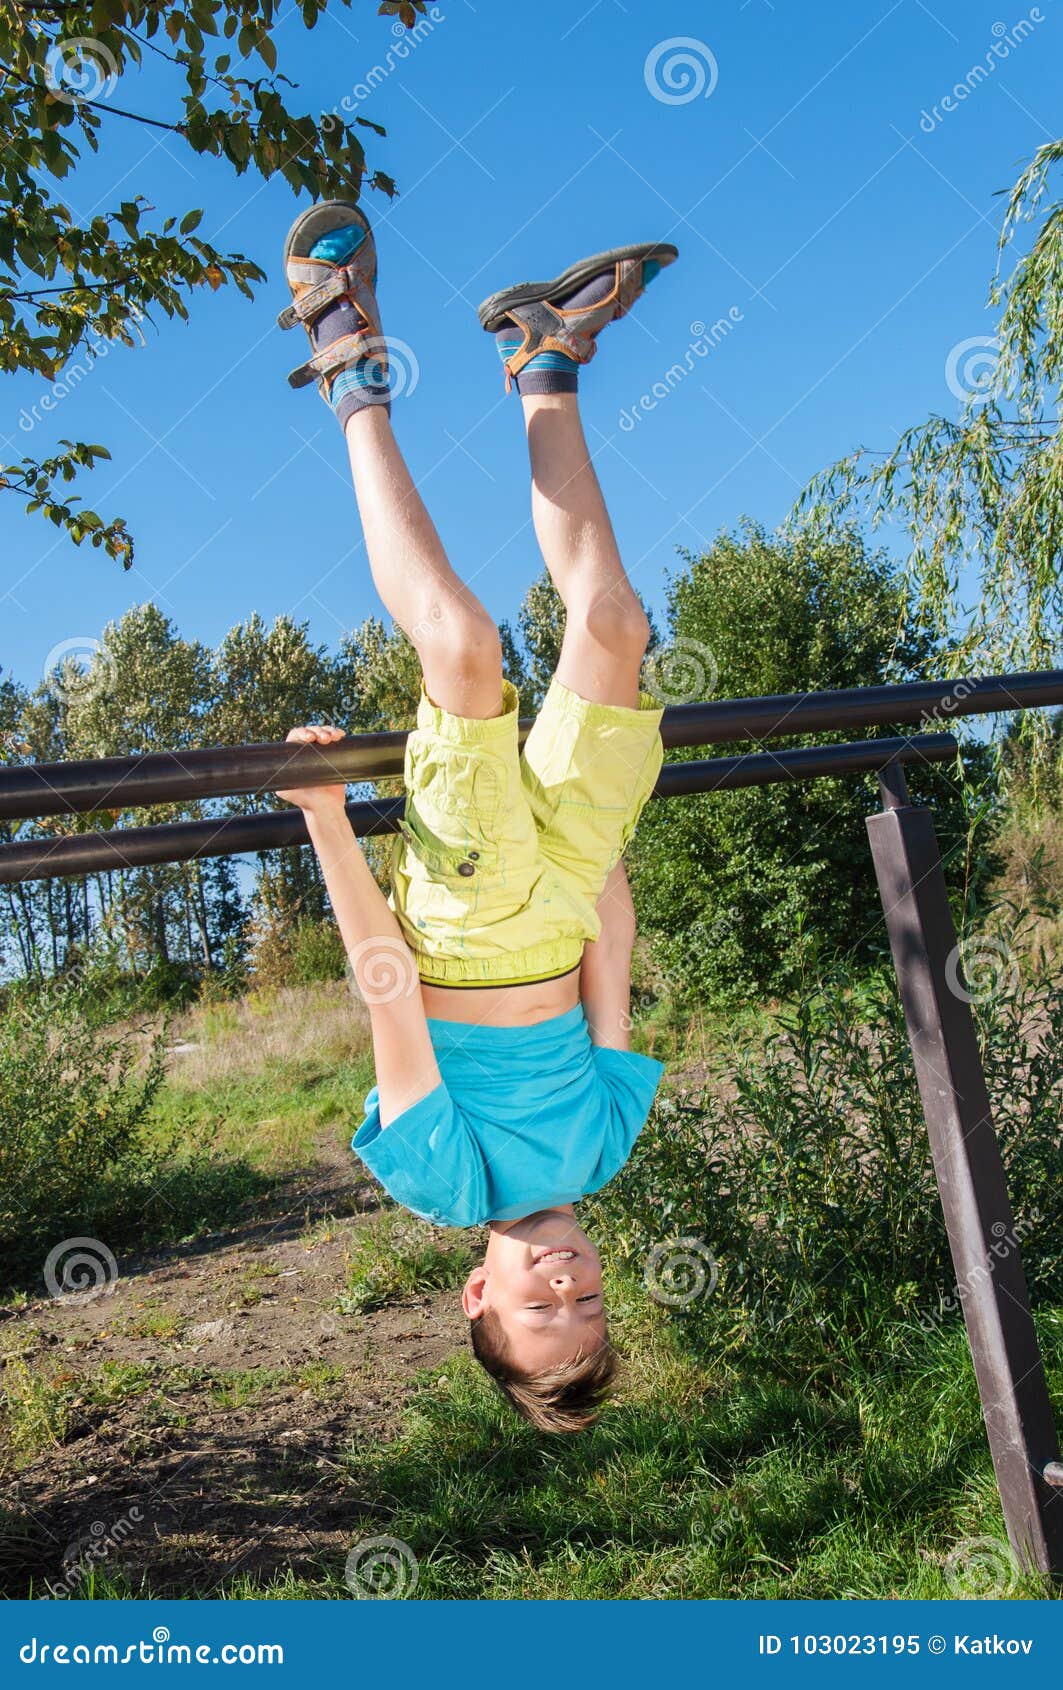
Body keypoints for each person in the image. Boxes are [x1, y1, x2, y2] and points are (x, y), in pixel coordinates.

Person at [276, 201, 678, 1432]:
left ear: (475, 1294)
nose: (568, 1284)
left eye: (539, 1309)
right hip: (562, 890)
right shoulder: (605, 1150)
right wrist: (598, 843)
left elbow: (388, 990)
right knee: (615, 631)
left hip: (456, 923)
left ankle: (342, 350)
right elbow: (610, 957)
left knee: (462, 644)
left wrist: (327, 820)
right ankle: (544, 359)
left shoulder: (440, 1180)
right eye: (591, 1304)